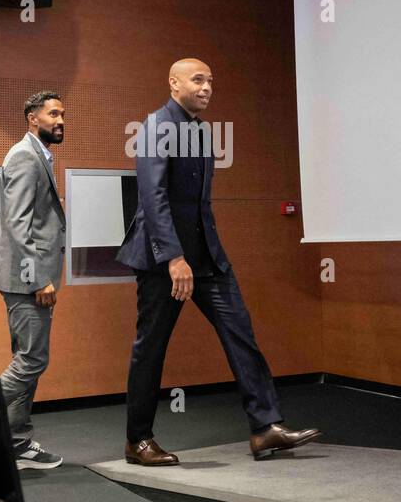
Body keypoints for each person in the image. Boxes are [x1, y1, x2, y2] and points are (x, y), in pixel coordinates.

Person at [117, 59, 321, 465]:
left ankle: (265, 429)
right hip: (164, 261)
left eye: (211, 80)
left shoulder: (202, 131)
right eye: (198, 80)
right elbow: (152, 198)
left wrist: (201, 254)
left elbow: (199, 204)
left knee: (239, 332)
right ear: (174, 83)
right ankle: (137, 441)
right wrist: (174, 256)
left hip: (207, 258)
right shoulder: (157, 126)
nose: (208, 87)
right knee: (151, 348)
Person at [0, 91, 66, 469]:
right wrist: (38, 278)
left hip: (27, 277)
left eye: (63, 113)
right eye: (53, 113)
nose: (61, 120)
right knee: (32, 361)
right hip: (25, 280)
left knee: (26, 358)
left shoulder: (38, 154)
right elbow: (17, 223)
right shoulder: (24, 155)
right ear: (32, 118)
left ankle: (17, 442)